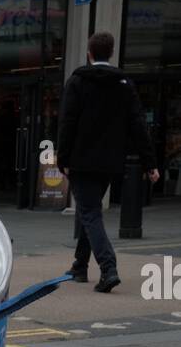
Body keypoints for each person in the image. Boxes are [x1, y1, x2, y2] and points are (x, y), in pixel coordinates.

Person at [58, 30, 160, 292]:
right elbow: (137, 124)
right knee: (88, 210)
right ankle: (80, 265)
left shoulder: (77, 81)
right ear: (111, 53)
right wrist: (150, 163)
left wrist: (62, 158)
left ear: (89, 53)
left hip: (81, 159)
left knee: (90, 212)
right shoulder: (124, 84)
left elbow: (67, 123)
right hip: (111, 161)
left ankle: (108, 268)